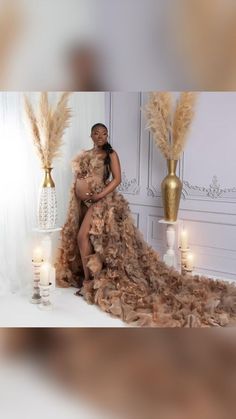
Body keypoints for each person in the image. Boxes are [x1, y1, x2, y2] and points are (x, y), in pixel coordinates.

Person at [56, 123, 236, 327]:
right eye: (96, 133)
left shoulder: (111, 154)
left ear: (107, 136)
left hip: (102, 202)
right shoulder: (86, 154)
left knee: (84, 238)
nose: (100, 136)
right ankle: (89, 279)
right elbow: (81, 177)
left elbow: (117, 179)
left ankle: (89, 283)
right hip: (86, 203)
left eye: (104, 133)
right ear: (91, 135)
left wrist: (98, 195)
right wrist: (81, 187)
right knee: (86, 239)